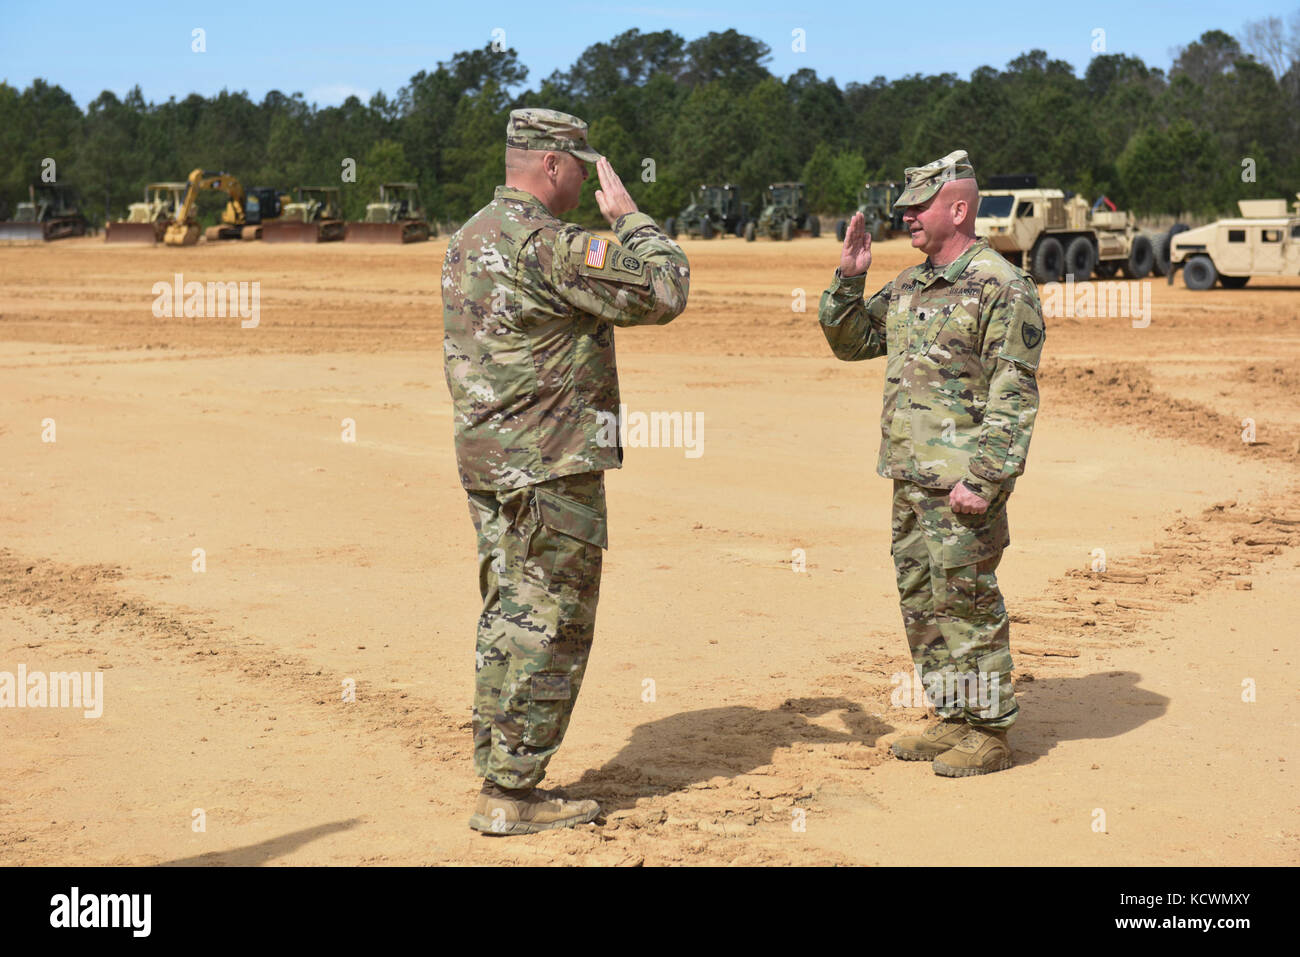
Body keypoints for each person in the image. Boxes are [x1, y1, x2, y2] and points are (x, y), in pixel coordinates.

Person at [442, 108, 690, 833]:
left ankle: (499, 766)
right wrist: (634, 220)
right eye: (581, 162)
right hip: (550, 468)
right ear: (551, 164)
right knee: (550, 624)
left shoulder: (470, 236)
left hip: (490, 461)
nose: (587, 176)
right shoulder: (549, 246)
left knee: (507, 615)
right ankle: (512, 793)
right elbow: (665, 289)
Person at [817, 150, 1044, 776]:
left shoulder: (1001, 285)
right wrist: (849, 278)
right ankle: (954, 715)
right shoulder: (913, 284)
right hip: (911, 477)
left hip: (963, 483)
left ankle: (990, 731)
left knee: (966, 601)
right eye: (906, 208)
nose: (907, 217)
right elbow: (852, 342)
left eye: (918, 207)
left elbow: (1013, 392)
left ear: (960, 208)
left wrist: (986, 478)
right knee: (922, 602)